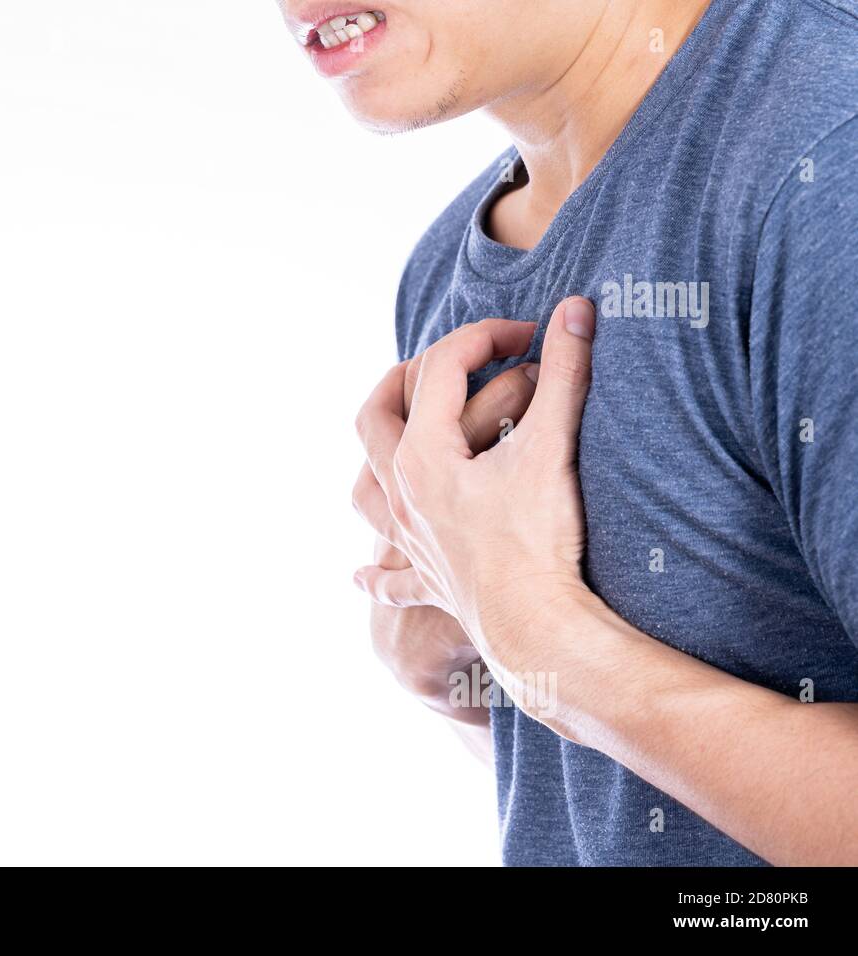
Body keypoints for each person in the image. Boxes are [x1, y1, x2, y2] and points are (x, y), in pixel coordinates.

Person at [278, 0, 858, 864]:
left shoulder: (825, 167)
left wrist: (545, 640)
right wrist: (453, 676)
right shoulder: (444, 272)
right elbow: (593, 802)